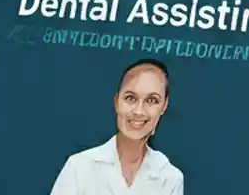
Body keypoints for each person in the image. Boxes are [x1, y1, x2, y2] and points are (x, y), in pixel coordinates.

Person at [50, 59, 184, 195]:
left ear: (164, 106)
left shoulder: (170, 178)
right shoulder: (79, 167)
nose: (139, 111)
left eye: (151, 100)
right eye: (131, 98)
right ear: (116, 102)